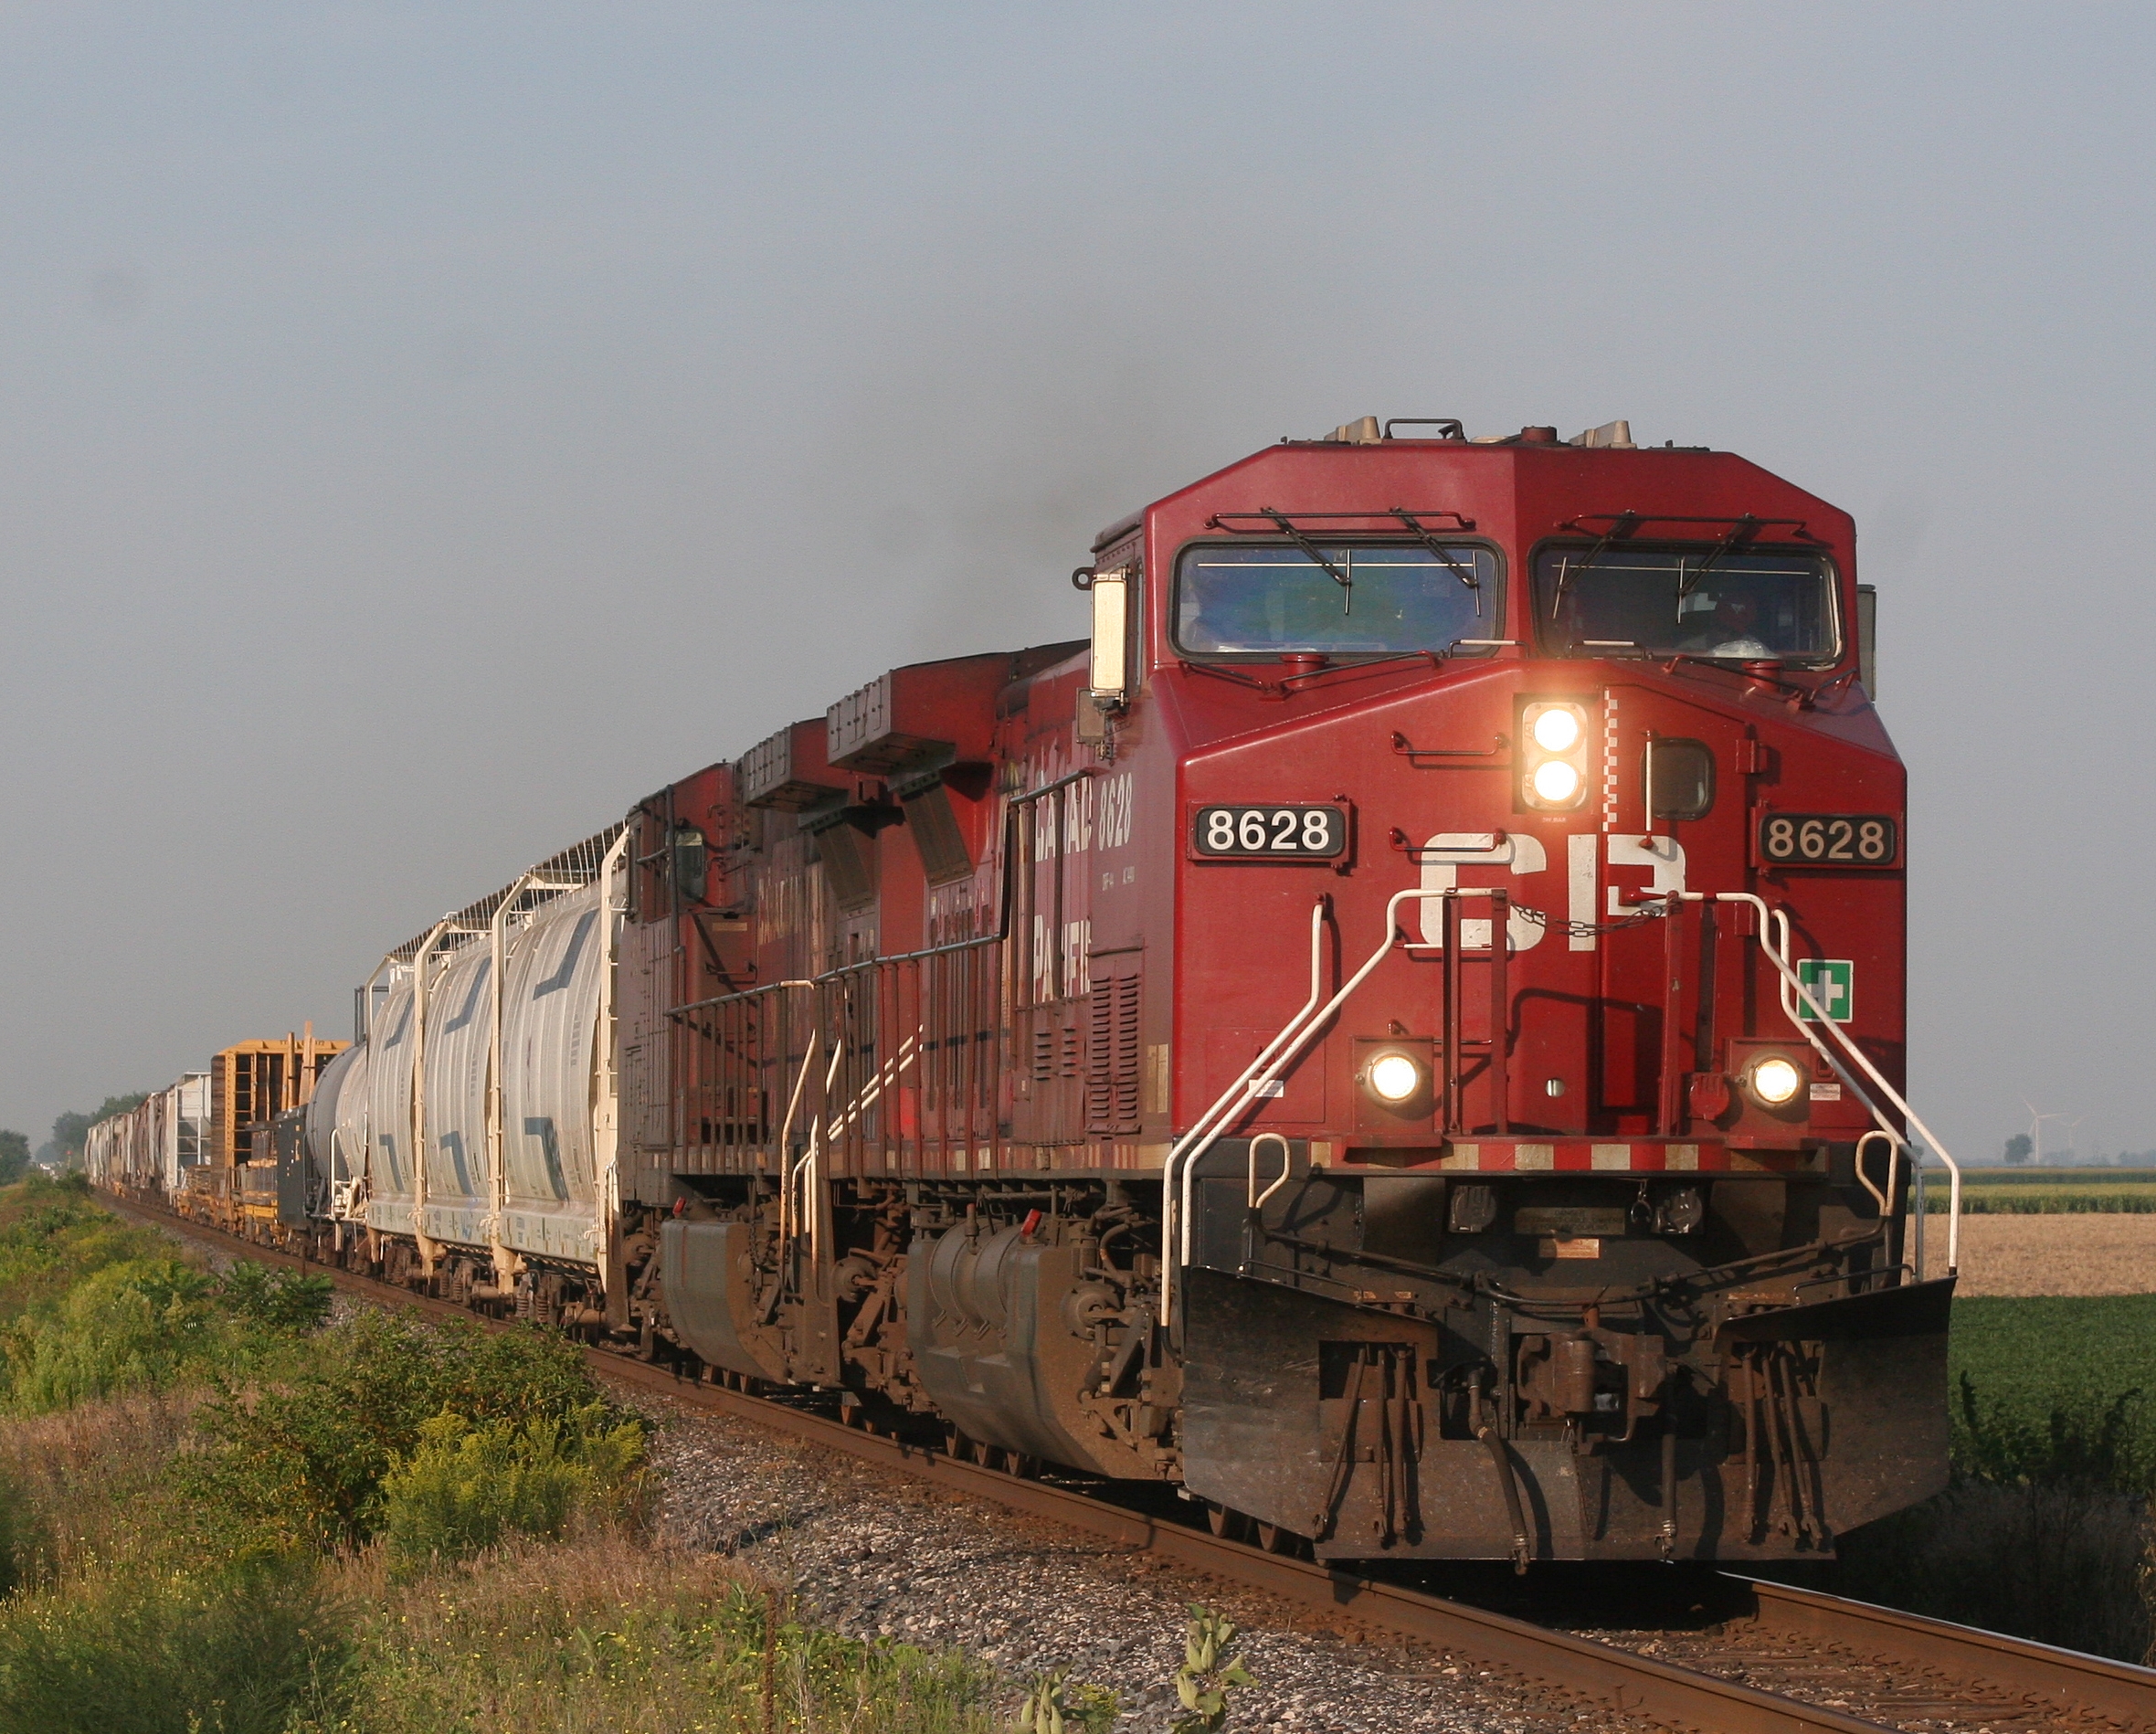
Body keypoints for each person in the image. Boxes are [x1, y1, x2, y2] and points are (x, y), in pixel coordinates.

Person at [1678, 587, 1772, 658]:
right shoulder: (1688, 649)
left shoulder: (1757, 650)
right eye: (1723, 628)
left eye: (1734, 632)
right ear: (1712, 622)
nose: (1725, 636)